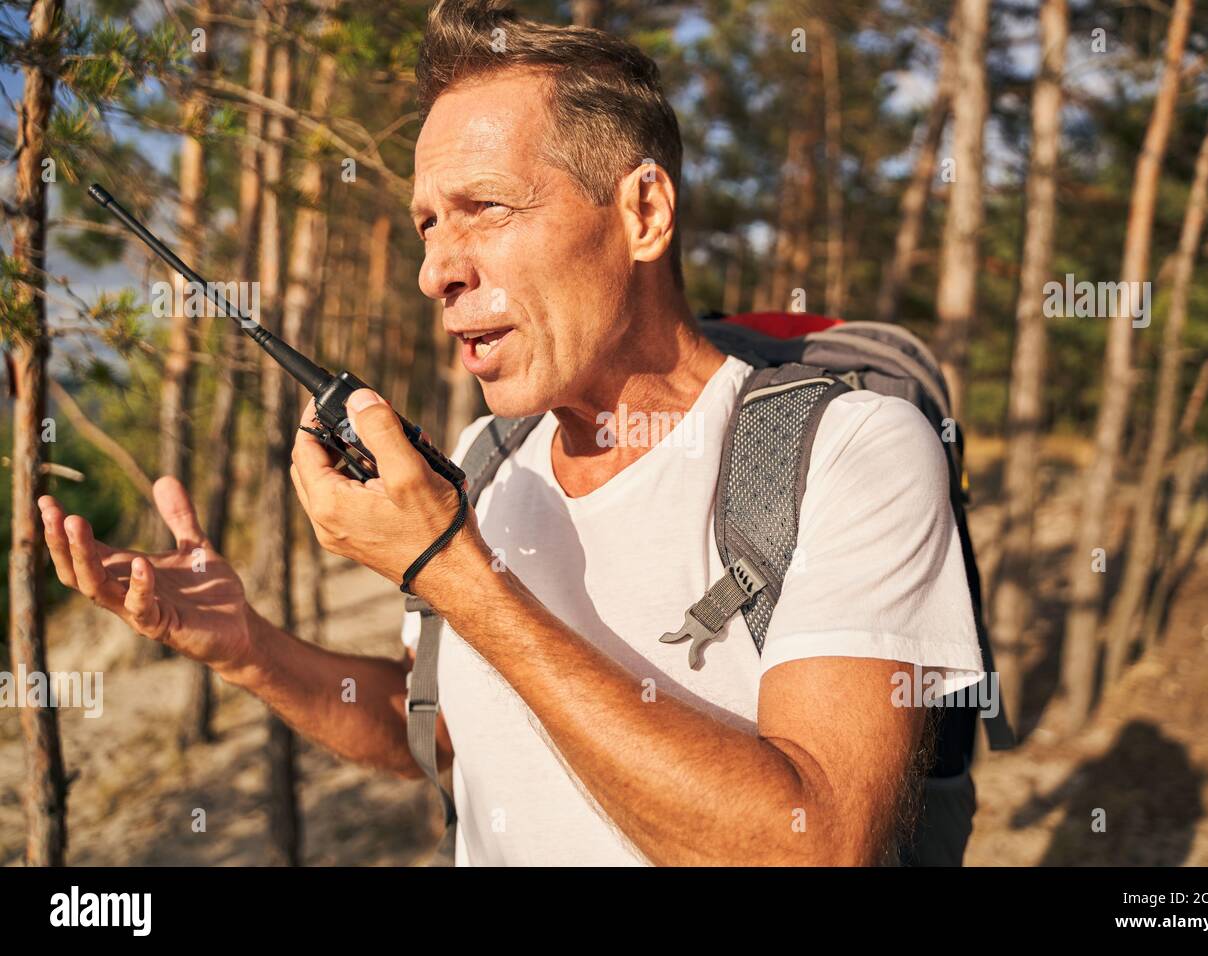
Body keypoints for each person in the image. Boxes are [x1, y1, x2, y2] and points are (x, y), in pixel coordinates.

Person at [39, 0, 985, 866]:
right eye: (425, 227)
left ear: (643, 213)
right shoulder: (490, 467)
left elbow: (814, 847)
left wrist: (454, 569)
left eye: (485, 208)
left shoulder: (850, 451)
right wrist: (245, 647)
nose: (434, 272)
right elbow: (444, 734)